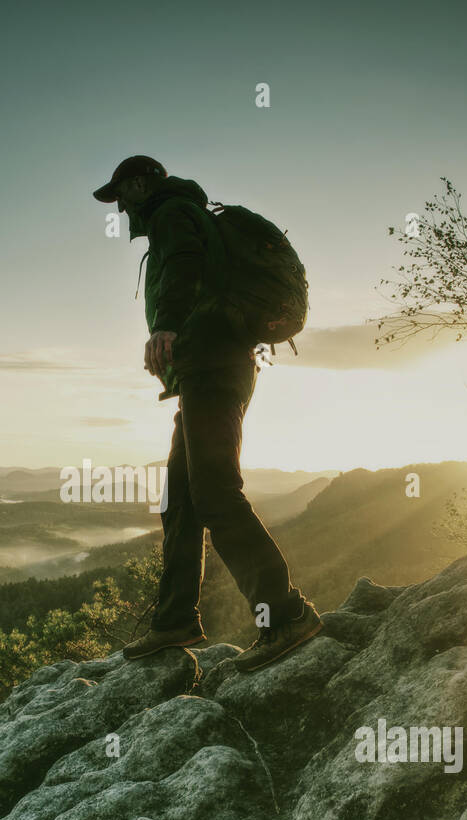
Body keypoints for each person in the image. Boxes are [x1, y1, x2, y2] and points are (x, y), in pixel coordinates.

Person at [92, 155, 322, 672]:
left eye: (122, 195)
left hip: (215, 367)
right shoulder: (183, 214)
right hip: (205, 371)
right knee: (180, 497)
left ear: (138, 184)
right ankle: (174, 619)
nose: (122, 207)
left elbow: (186, 264)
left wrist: (166, 326)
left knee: (215, 491)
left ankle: (286, 615)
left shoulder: (174, 214)